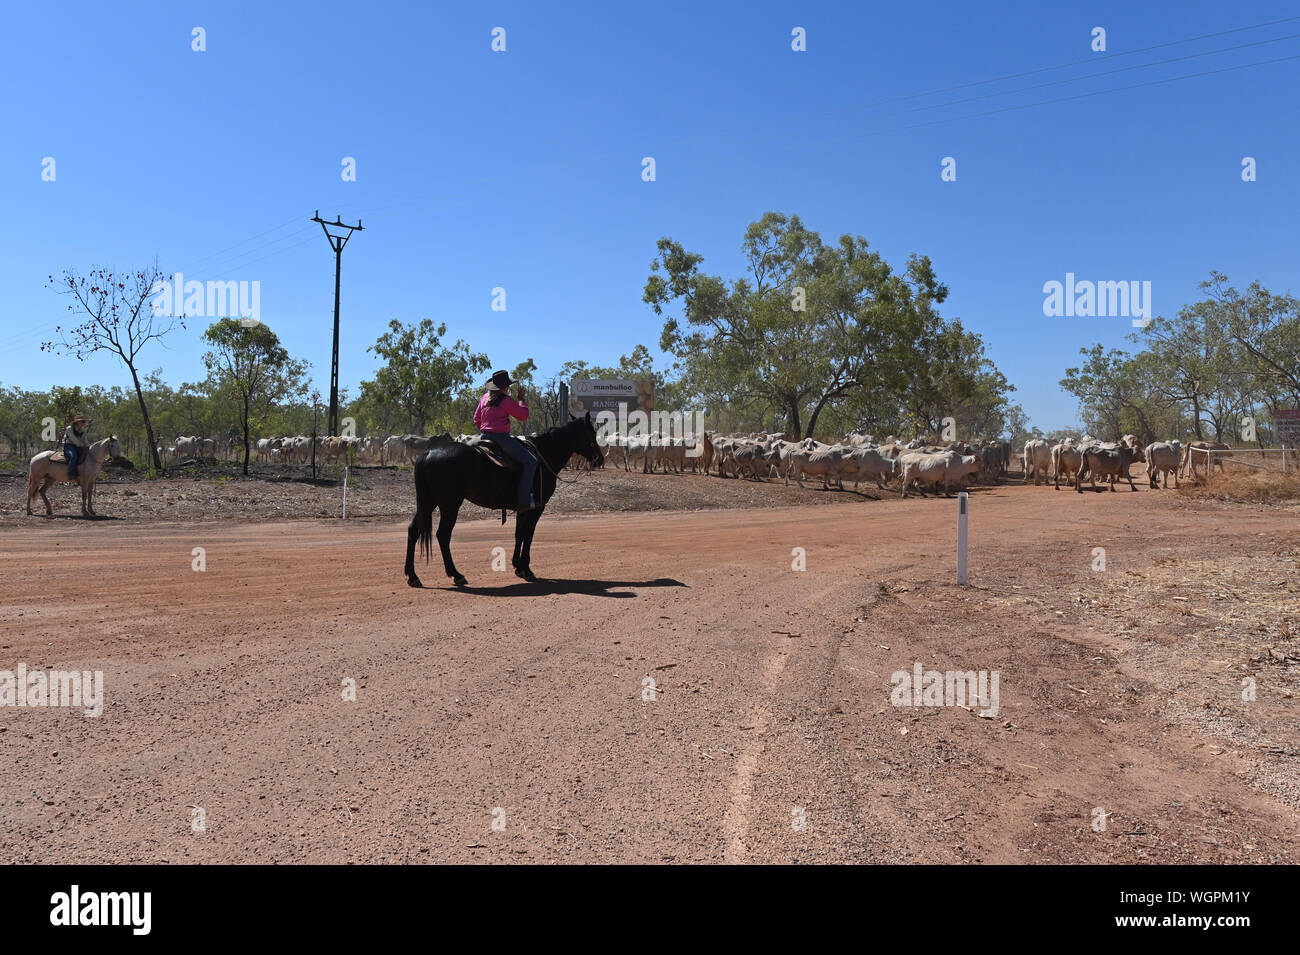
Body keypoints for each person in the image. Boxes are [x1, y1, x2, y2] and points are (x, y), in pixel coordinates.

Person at [473, 370, 537, 512]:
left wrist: (485, 429)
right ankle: (524, 500)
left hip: (483, 437)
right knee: (531, 462)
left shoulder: (484, 398)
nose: (508, 388)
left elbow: (476, 419)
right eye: (508, 385)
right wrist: (522, 400)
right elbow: (523, 415)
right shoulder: (506, 400)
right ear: (505, 387)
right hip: (501, 438)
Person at [62, 414, 92, 479]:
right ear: (77, 422)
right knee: (74, 456)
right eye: (82, 421)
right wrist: (82, 446)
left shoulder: (82, 430)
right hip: (69, 446)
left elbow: (85, 440)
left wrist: (88, 447)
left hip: (78, 447)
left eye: (84, 421)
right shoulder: (69, 428)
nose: (84, 423)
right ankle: (70, 473)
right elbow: (74, 440)